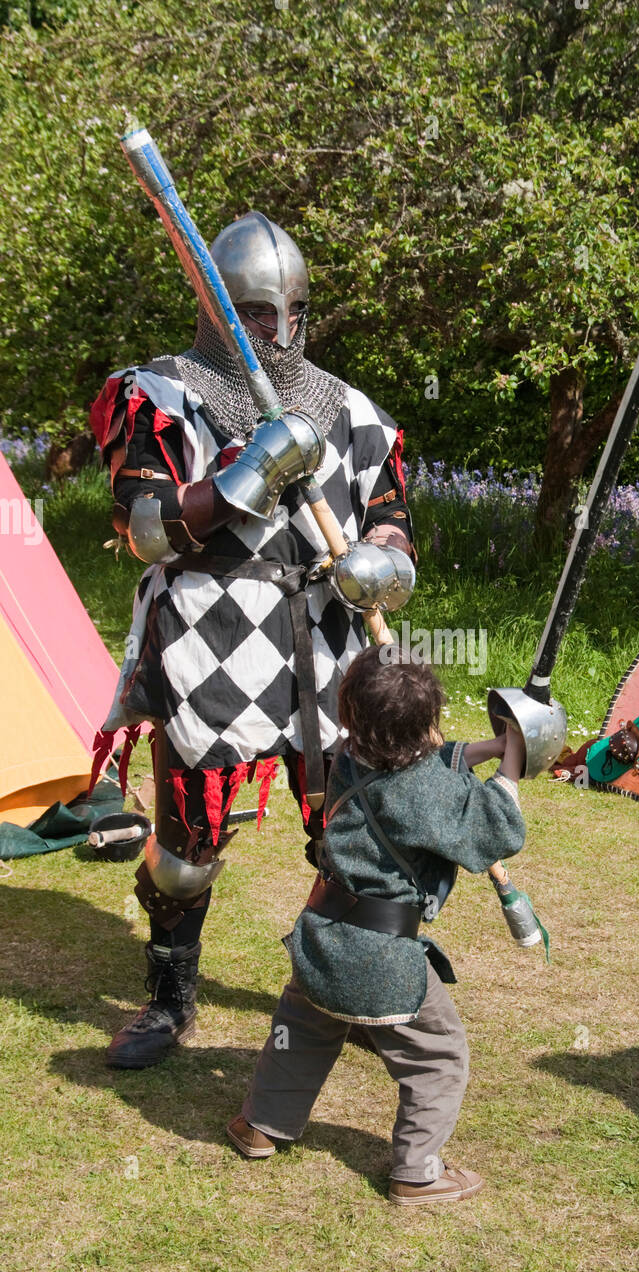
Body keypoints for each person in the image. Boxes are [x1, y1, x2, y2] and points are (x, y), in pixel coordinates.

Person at [89, 212, 416, 1070]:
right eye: (255, 313)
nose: (274, 330)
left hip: (330, 641)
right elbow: (146, 527)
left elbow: (391, 524)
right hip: (210, 637)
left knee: (352, 832)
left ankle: (343, 987)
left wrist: (382, 569)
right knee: (189, 849)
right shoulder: (160, 393)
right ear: (216, 306)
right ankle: (167, 999)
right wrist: (249, 473)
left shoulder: (352, 411)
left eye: (288, 312)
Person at [226, 647, 526, 1206]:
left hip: (320, 939)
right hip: (381, 957)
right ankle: (417, 1173)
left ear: (350, 713)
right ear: (425, 723)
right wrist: (514, 762)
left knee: (301, 1035)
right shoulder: (421, 789)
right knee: (438, 1053)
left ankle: (260, 1126)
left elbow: (432, 765)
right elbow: (495, 828)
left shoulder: (348, 755)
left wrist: (490, 746)